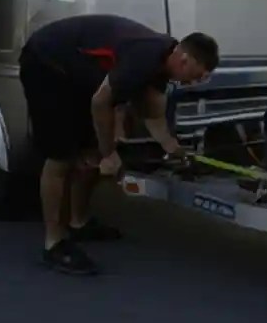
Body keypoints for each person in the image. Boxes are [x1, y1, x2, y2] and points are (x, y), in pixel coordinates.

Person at [18, 14, 219, 275]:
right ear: (185, 60)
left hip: (76, 74)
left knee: (91, 151)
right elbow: (101, 102)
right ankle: (54, 243)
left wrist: (171, 146)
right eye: (196, 76)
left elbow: (152, 113)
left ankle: (78, 222)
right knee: (61, 156)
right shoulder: (145, 57)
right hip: (46, 62)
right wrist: (109, 154)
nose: (192, 83)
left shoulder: (164, 63)